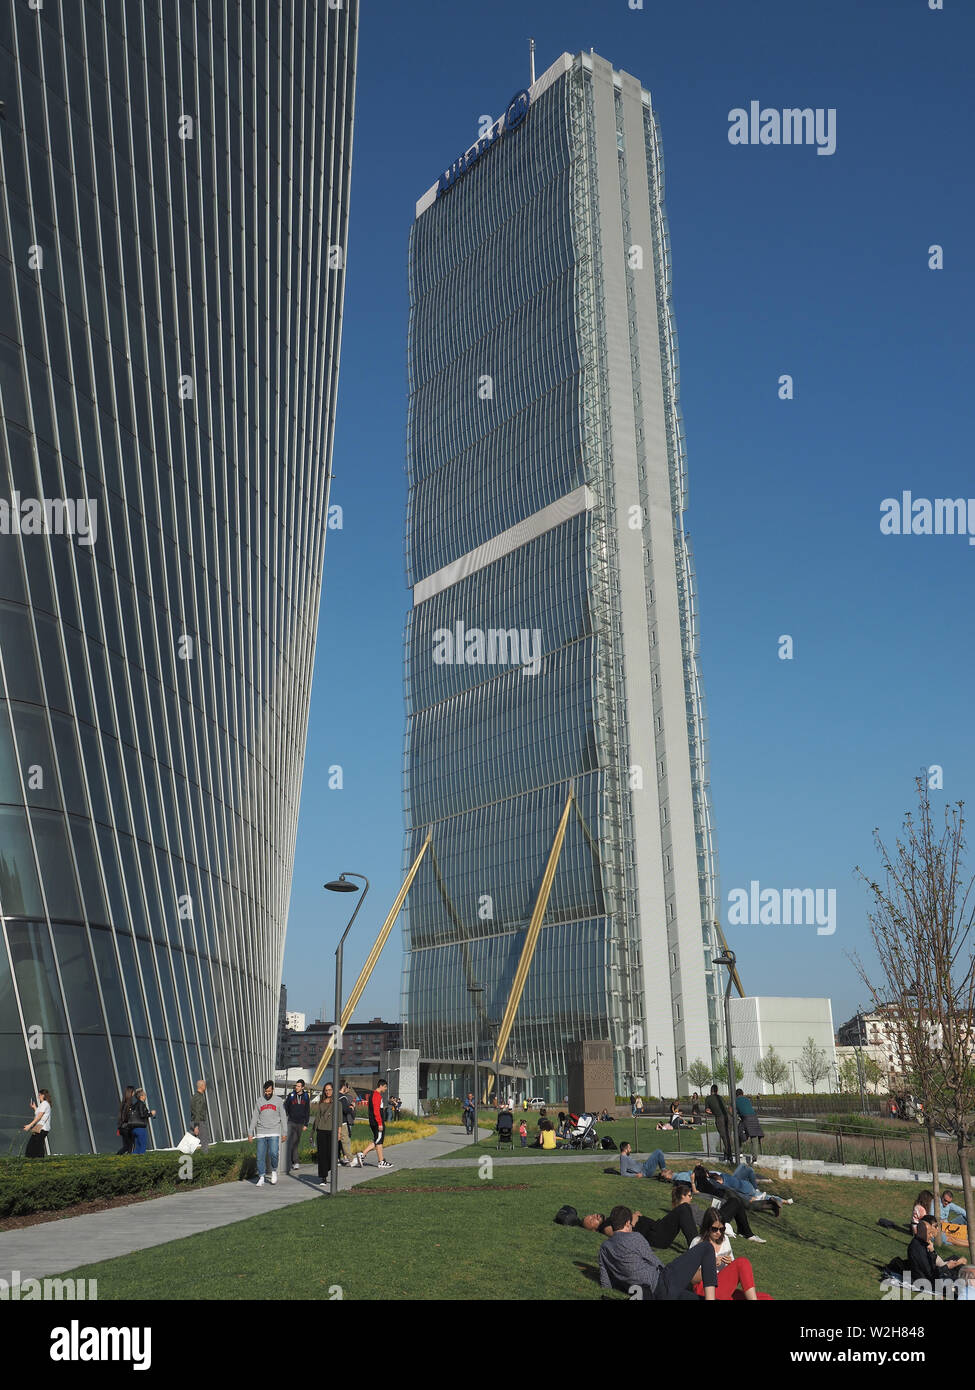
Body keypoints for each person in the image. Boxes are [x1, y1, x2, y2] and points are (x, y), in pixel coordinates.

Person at [598, 1204, 717, 1300]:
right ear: (628, 1223)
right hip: (662, 1283)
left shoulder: (604, 1248)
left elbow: (605, 1282)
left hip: (655, 1295)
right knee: (706, 1247)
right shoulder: (634, 1237)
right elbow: (655, 1262)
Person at [689, 1209, 772, 1300]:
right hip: (705, 1289)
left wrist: (730, 1263)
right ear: (707, 1226)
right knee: (742, 1262)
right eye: (714, 1229)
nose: (718, 1233)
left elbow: (732, 1271)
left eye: (722, 1229)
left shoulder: (724, 1240)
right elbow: (692, 1279)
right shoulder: (697, 1242)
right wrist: (710, 1264)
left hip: (723, 1287)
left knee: (765, 1297)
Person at [248, 1080, 288, 1185]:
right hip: (261, 1132)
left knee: (274, 1153)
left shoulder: (279, 1101)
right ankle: (261, 1176)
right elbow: (254, 1117)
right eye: (266, 1091)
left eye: (269, 1091)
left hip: (274, 1131)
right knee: (260, 1156)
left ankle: (274, 1170)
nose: (267, 1093)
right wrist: (250, 1132)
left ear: (273, 1090)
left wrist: (285, 1132)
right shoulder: (259, 1101)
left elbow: (283, 1117)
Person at [908, 1217, 966, 1288]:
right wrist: (947, 1266)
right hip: (928, 1282)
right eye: (929, 1233)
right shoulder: (917, 1248)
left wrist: (932, 1252)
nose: (931, 1236)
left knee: (961, 1268)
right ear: (921, 1231)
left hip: (934, 1276)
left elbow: (933, 1264)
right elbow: (931, 1274)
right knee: (962, 1282)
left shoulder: (924, 1243)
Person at [353, 1078, 392, 1168]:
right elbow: (376, 1111)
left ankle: (381, 1161)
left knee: (379, 1141)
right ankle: (363, 1154)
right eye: (385, 1087)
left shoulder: (373, 1095)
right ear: (381, 1086)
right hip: (377, 1122)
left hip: (374, 1121)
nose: (385, 1089)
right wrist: (380, 1123)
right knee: (378, 1140)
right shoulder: (376, 1095)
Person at [312, 1083, 336, 1188]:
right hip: (321, 1131)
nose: (328, 1092)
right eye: (326, 1090)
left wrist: (339, 1132)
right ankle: (323, 1177)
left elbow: (339, 1119)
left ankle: (328, 1169)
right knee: (322, 1155)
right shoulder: (321, 1103)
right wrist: (312, 1132)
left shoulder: (336, 1103)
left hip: (332, 1131)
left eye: (330, 1090)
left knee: (331, 1155)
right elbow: (317, 1118)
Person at [284, 1078, 310, 1171]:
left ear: (302, 1087)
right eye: (296, 1086)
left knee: (295, 1142)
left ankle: (293, 1162)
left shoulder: (306, 1096)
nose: (296, 1087)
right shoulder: (291, 1095)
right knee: (290, 1142)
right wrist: (285, 1116)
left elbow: (307, 1111)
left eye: (299, 1086)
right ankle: (294, 1161)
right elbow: (285, 1106)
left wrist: (306, 1124)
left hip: (300, 1123)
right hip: (291, 1122)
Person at [705, 1085, 732, 1162]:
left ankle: (728, 1157)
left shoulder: (708, 1098)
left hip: (720, 1118)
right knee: (728, 1136)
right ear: (717, 1091)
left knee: (724, 1137)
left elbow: (707, 1110)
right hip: (729, 1117)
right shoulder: (720, 1098)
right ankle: (727, 1155)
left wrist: (714, 1112)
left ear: (711, 1090)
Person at [23, 1090, 52, 1157]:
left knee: (34, 1147)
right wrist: (34, 1107)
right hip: (40, 1128)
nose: (38, 1096)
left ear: (43, 1095)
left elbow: (39, 1117)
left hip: (42, 1128)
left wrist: (29, 1125)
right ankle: (38, 1161)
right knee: (36, 1147)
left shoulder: (45, 1103)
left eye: (39, 1095)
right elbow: (39, 1114)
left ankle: (38, 1162)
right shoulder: (43, 1104)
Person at [129, 1089, 156, 1154]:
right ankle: (141, 1159)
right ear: (141, 1096)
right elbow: (142, 1115)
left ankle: (134, 1159)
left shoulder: (135, 1104)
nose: (146, 1096)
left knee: (138, 1146)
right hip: (140, 1127)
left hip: (134, 1127)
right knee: (142, 1145)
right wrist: (151, 1114)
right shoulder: (141, 1104)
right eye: (145, 1095)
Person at [190, 1079, 210, 1153]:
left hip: (193, 1121)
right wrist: (196, 1126)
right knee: (204, 1142)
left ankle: (183, 1157)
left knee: (189, 1143)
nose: (205, 1086)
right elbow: (198, 1111)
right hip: (199, 1122)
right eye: (204, 1085)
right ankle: (206, 1159)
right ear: (201, 1086)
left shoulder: (194, 1096)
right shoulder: (199, 1097)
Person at [117, 1085, 136, 1155]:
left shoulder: (124, 1103)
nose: (134, 1093)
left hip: (123, 1127)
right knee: (129, 1147)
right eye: (133, 1091)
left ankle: (118, 1157)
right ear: (131, 1092)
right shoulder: (128, 1104)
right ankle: (117, 1156)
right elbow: (126, 1117)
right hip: (126, 1128)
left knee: (127, 1146)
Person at [338, 1082, 355, 1163]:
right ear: (343, 1087)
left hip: (335, 1122)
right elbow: (345, 1110)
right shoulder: (343, 1097)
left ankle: (338, 1158)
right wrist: (351, 1108)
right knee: (345, 1141)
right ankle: (350, 1159)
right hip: (343, 1121)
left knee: (337, 1141)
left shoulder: (334, 1096)